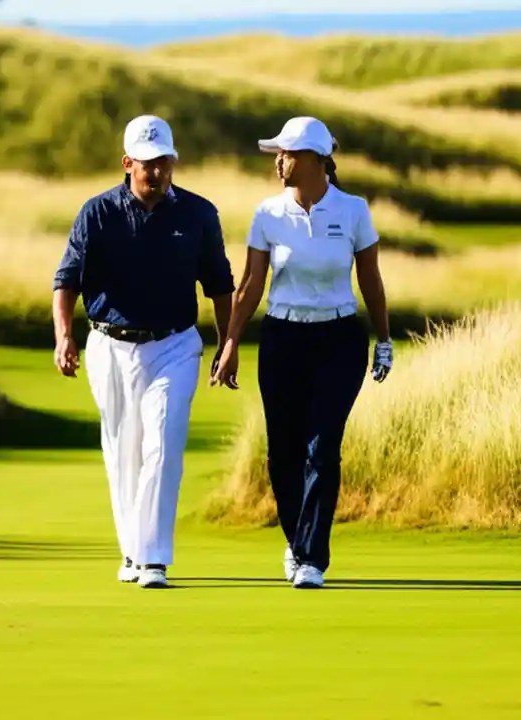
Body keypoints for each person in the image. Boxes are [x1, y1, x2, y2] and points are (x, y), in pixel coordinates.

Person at [53, 115, 235, 589]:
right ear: (126, 162)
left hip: (174, 345)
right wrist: (63, 336)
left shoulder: (199, 215)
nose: (156, 172)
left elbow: (219, 286)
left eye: (164, 162)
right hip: (110, 347)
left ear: (173, 161)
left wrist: (227, 341)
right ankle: (132, 552)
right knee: (123, 452)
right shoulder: (97, 213)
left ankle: (153, 558)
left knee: (163, 444)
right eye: (146, 164)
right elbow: (66, 281)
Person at [210, 116, 392, 590]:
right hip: (283, 339)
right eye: (277, 155)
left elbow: (370, 280)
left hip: (338, 341)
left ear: (314, 160)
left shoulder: (353, 210)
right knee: (282, 455)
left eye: (285, 155)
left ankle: (312, 558)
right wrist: (230, 342)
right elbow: (251, 285)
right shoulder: (267, 214)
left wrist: (385, 339)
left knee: (321, 447)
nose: (279, 162)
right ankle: (296, 542)